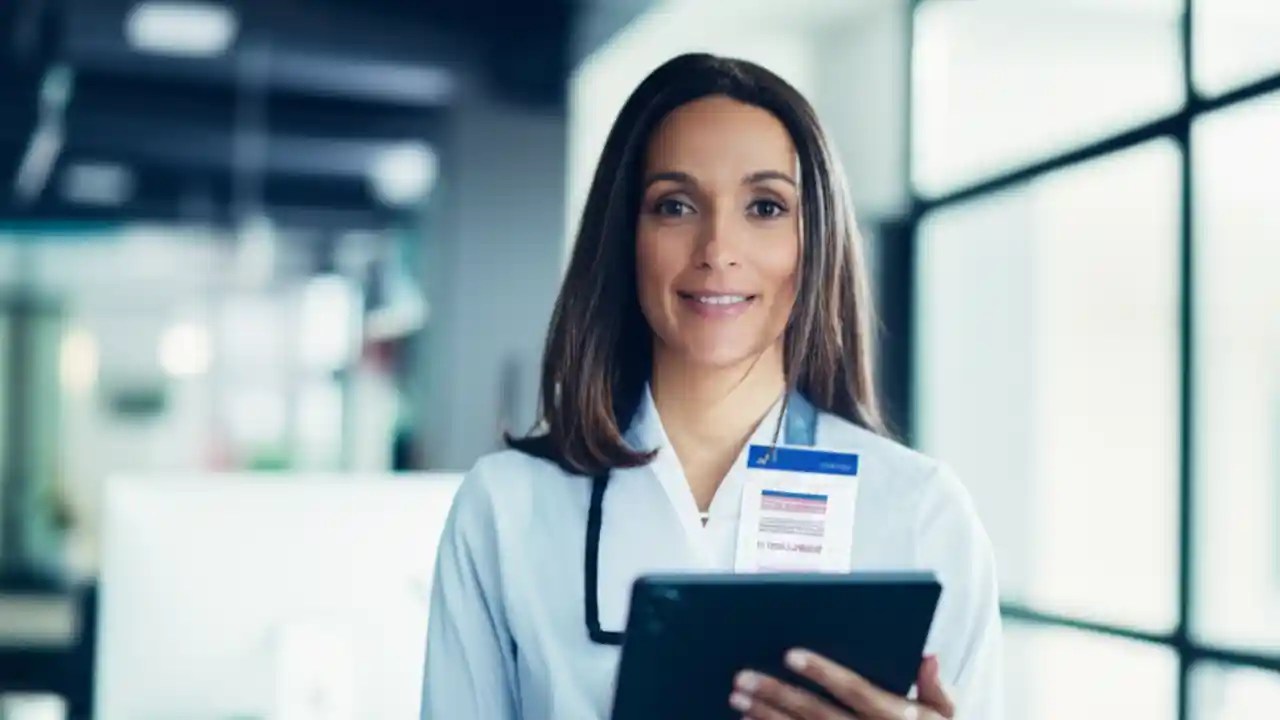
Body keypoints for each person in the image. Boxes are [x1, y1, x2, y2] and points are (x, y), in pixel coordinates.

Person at [421, 53, 1003, 719]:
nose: (718, 248)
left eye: (765, 206)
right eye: (675, 205)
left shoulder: (922, 513)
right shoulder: (504, 510)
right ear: (625, 238)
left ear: (814, 244)